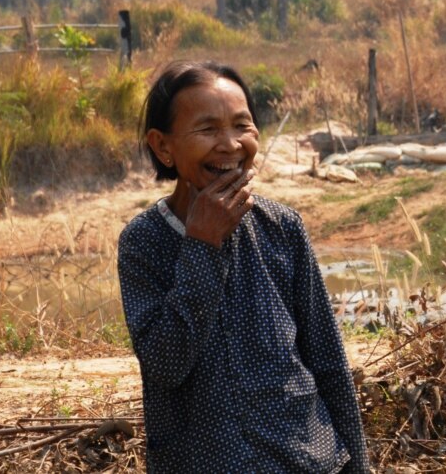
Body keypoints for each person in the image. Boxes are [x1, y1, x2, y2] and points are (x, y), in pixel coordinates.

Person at [118, 60, 371, 473]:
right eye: (207, 129)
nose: (231, 144)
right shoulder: (144, 241)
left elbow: (327, 360)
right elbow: (166, 365)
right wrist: (202, 244)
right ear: (163, 146)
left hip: (307, 460)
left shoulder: (282, 227)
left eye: (242, 126)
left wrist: (358, 466)